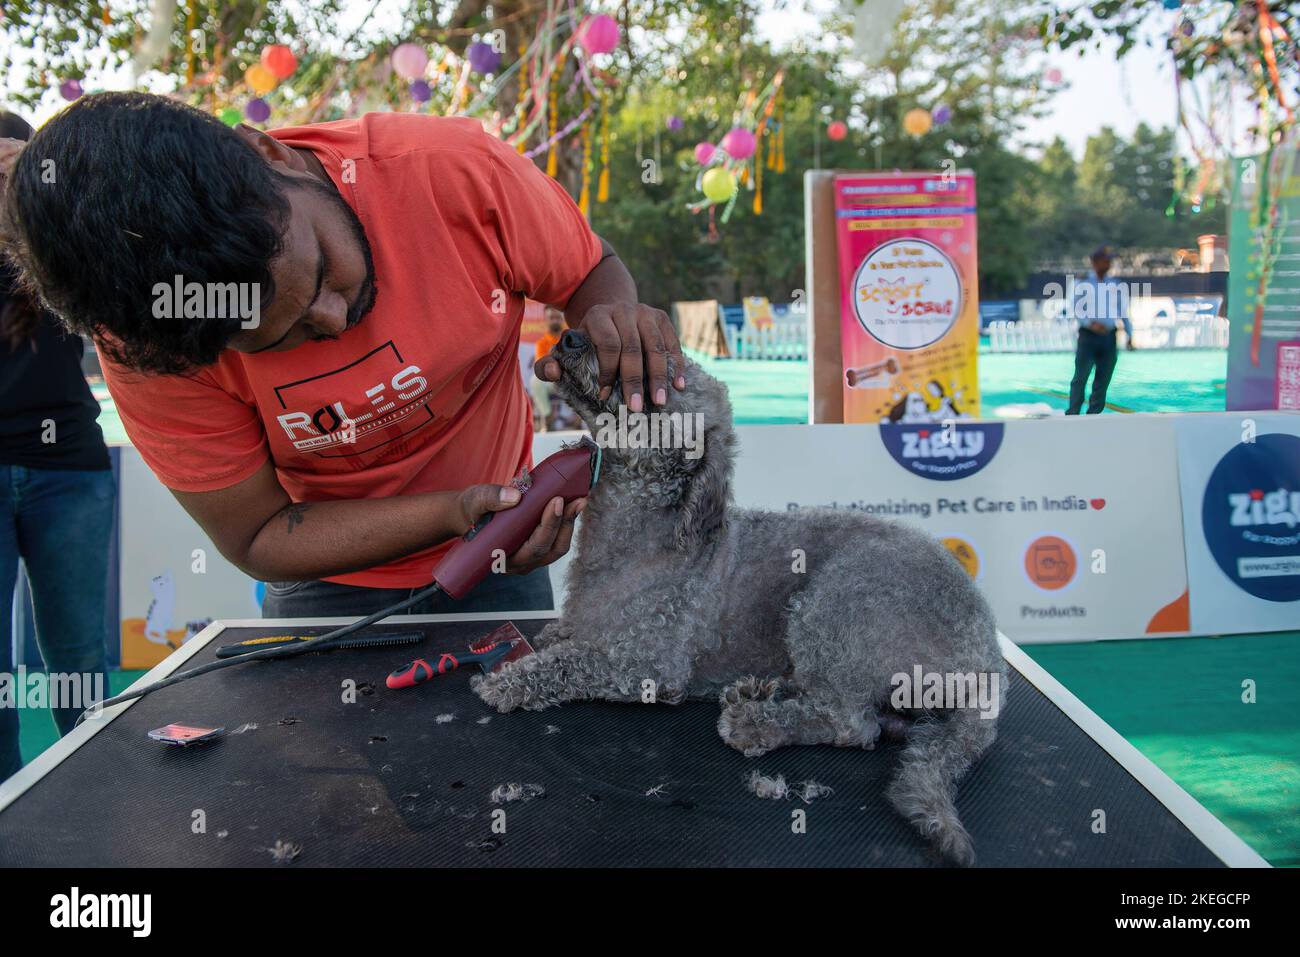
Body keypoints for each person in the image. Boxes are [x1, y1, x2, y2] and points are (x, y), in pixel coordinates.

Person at [0, 92, 687, 621]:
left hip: (504, 561)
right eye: (279, 335)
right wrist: (457, 512)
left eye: (324, 267)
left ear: (269, 154)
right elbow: (260, 533)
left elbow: (588, 271)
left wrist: (610, 320)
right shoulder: (150, 344)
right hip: (323, 594)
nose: (332, 320)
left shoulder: (449, 172)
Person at [0, 111, 112, 782]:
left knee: (76, 655)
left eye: (11, 166)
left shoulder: (66, 243)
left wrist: (43, 202)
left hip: (68, 469)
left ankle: (95, 793)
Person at [1066, 245, 1135, 415]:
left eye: (1109, 261)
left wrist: (1129, 334)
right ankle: (1073, 413)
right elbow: (1075, 308)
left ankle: (1094, 416)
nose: (1109, 263)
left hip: (1108, 337)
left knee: (1103, 379)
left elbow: (1123, 311)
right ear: (1095, 262)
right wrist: (1090, 324)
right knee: (1080, 377)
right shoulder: (1082, 283)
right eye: (1105, 260)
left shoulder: (1115, 285)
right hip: (1088, 336)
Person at [529, 306, 566, 431]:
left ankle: (585, 418)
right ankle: (548, 416)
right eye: (552, 318)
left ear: (562, 319)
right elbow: (541, 368)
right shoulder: (542, 343)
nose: (555, 320)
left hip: (572, 380)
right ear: (546, 320)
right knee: (535, 381)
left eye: (558, 317)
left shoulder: (571, 338)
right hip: (553, 382)